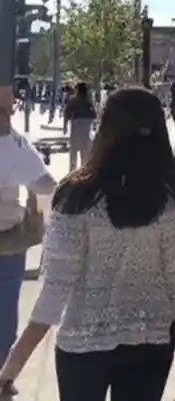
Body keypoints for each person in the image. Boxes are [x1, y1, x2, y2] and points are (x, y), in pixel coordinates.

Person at [0, 87, 175, 401]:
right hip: (150, 344)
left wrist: (11, 368)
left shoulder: (78, 194)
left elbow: (54, 292)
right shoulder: (174, 194)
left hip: (82, 346)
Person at [0, 87, 58, 385]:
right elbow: (46, 185)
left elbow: (46, 184)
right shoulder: (14, 145)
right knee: (5, 318)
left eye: (9, 110)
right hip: (9, 241)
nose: (8, 117)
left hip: (8, 242)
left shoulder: (15, 144)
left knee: (6, 320)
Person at [64, 83, 96, 172]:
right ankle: (83, 172)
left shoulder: (73, 100)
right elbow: (94, 115)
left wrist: (65, 125)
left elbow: (67, 113)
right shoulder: (89, 101)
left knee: (73, 152)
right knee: (84, 153)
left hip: (76, 126)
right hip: (86, 128)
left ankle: (72, 172)